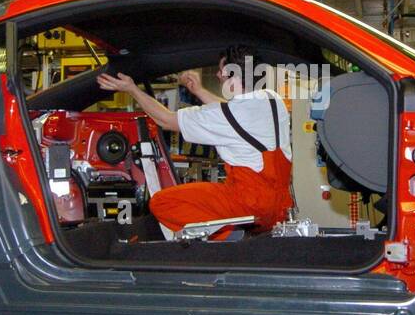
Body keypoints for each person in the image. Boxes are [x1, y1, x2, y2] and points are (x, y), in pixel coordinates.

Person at [95, 44, 293, 235]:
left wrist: (133, 90)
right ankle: (232, 234)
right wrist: (198, 91)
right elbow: (233, 114)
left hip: (248, 203)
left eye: (221, 72)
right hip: (279, 208)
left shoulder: (227, 115)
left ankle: (226, 239)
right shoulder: (272, 99)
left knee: (162, 202)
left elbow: (165, 120)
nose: (217, 75)